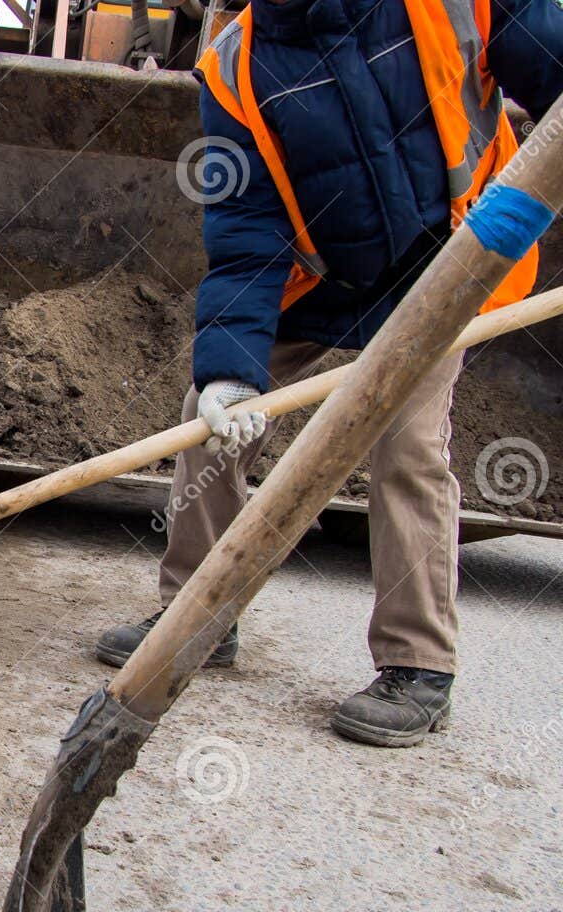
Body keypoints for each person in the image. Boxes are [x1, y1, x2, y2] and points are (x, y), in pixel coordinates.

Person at [95, 0, 563, 746]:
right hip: (322, 276)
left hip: (450, 261)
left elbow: (552, 64)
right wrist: (230, 372)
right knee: (209, 420)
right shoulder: (236, 67)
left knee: (407, 446)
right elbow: (246, 229)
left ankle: (419, 667)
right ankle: (195, 618)